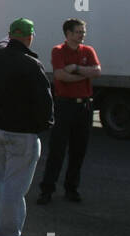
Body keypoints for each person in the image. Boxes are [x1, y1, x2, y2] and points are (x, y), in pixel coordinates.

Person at [0, 18, 54, 236]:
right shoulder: (31, 63)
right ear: (30, 37)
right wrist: (44, 125)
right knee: (14, 189)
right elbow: (45, 103)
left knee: (0, 183)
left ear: (10, 35)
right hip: (22, 133)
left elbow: (2, 42)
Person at [37, 19, 100, 204]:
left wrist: (76, 69)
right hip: (65, 106)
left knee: (78, 151)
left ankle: (71, 189)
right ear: (69, 34)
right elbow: (59, 76)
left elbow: (97, 71)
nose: (82, 35)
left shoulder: (88, 51)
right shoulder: (58, 51)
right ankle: (47, 190)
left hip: (84, 108)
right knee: (57, 150)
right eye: (79, 32)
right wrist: (83, 75)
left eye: (83, 31)